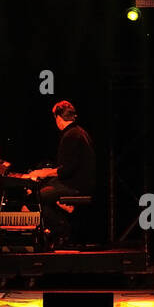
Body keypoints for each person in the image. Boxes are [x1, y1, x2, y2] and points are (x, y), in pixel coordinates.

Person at [24, 100, 96, 249]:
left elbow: (66, 170)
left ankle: (61, 230)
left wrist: (43, 173)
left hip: (74, 185)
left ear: (58, 117)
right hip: (79, 182)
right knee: (45, 188)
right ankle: (62, 214)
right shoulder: (79, 132)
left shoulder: (70, 136)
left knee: (33, 199)